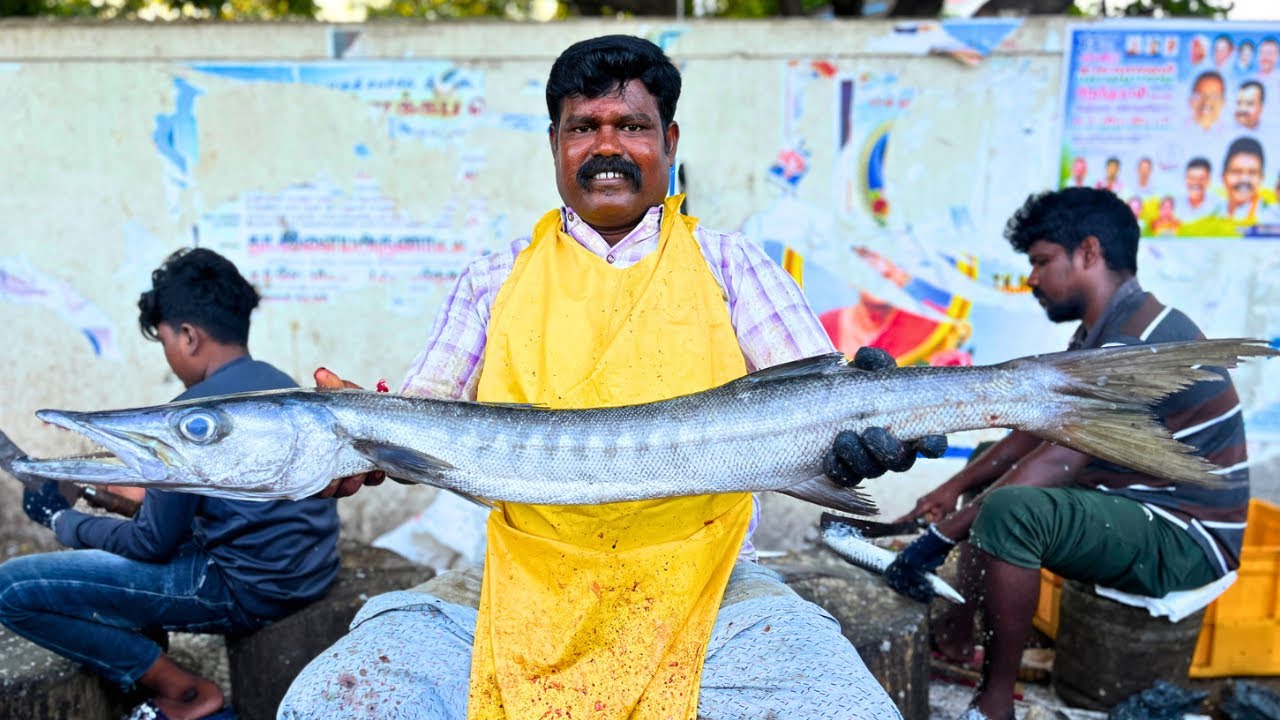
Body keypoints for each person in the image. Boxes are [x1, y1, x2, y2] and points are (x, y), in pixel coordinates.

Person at [279, 35, 945, 720]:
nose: (607, 147)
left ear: (670, 138)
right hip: (519, 579)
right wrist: (356, 437)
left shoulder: (733, 265)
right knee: (334, 700)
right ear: (554, 143)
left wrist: (861, 436)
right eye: (583, 128)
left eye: (631, 126)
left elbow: (814, 416)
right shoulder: (493, 277)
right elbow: (425, 417)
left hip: (712, 583)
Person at [884, 188, 1250, 720]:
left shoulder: (1135, 344)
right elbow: (1034, 431)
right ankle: (958, 633)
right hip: (1140, 503)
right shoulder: (1106, 334)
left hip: (1188, 534)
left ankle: (993, 701)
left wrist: (941, 536)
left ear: (1089, 253)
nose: (1031, 278)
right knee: (988, 463)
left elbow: (1057, 460)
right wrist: (950, 490)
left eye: (1040, 261)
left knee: (1013, 511)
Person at [0, 248, 341, 720]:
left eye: (164, 341)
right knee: (98, 571)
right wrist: (98, 494)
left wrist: (61, 519)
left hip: (247, 588)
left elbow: (151, 543)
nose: (168, 355)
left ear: (187, 336)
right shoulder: (279, 386)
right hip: (305, 573)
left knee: (11, 590)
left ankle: (181, 689)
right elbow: (191, 512)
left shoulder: (195, 417)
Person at [1175, 156, 1216, 223]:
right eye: (1192, 178)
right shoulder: (1174, 204)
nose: (1196, 182)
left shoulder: (1219, 206)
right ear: (1185, 179)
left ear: (1209, 180)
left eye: (1201, 178)